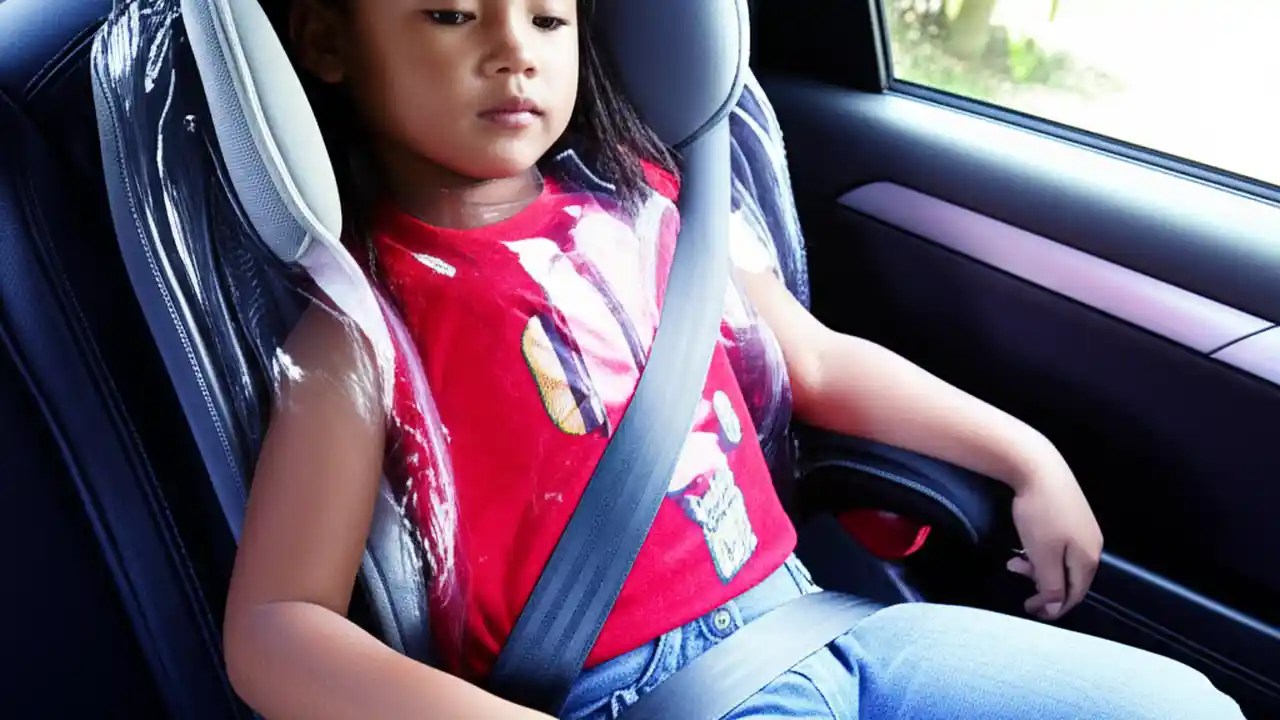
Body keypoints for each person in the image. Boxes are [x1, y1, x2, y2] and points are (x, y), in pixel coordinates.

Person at [220, 1, 1245, 718]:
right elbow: (275, 628)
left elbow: (817, 363)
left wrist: (1026, 457)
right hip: (635, 690)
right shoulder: (361, 322)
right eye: (451, 14)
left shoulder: (654, 215)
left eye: (547, 17)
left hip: (818, 623)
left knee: (1180, 704)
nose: (512, 50)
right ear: (325, 38)